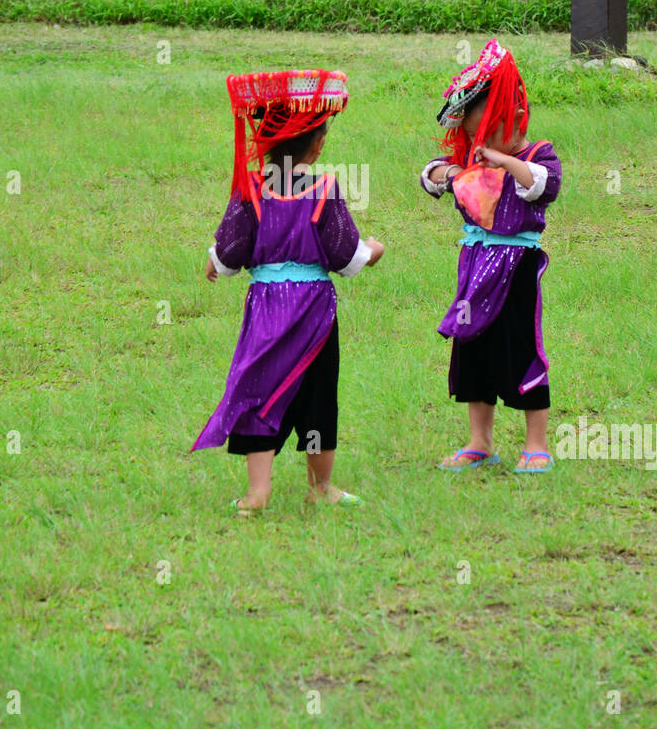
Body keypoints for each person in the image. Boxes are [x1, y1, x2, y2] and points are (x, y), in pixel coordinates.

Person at [192, 69, 385, 514]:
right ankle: (320, 487)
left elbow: (231, 250)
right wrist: (375, 250)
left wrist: (213, 261)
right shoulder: (324, 189)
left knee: (259, 387)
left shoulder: (251, 190)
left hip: (265, 312)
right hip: (315, 315)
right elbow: (346, 258)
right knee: (318, 395)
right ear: (316, 144)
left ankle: (258, 492)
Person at [420, 40, 562, 475]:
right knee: (472, 349)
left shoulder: (537, 155)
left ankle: (535, 443)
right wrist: (451, 172)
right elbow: (428, 175)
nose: (475, 142)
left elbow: (544, 185)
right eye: (478, 132)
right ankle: (480, 441)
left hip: (517, 268)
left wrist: (502, 159)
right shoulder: (466, 158)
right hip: (474, 267)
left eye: (516, 116)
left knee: (521, 348)